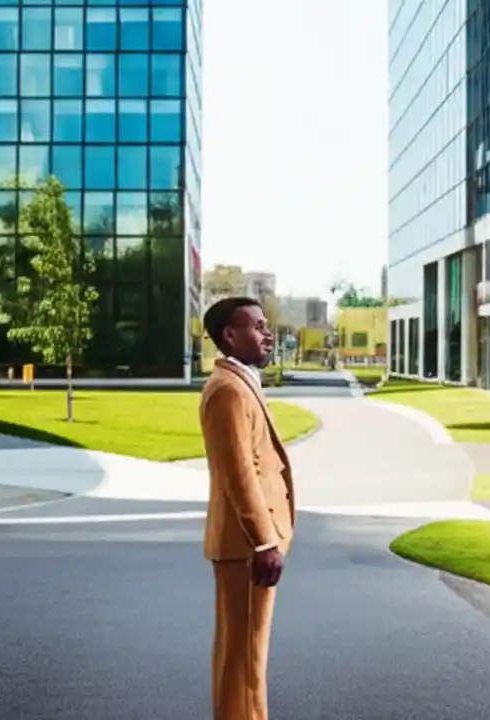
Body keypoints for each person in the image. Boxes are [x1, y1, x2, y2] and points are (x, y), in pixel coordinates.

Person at [199, 296, 297, 720]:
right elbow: (239, 475)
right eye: (257, 326)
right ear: (230, 335)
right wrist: (264, 542)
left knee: (244, 656)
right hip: (246, 548)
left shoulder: (239, 382)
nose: (267, 333)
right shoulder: (227, 391)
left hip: (245, 546)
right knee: (244, 660)